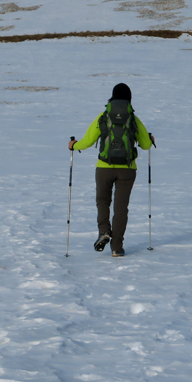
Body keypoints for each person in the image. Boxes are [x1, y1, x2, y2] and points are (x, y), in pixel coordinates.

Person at [68, 83, 154, 257]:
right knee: (121, 208)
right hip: (127, 170)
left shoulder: (104, 116)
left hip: (104, 168)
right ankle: (117, 247)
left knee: (102, 201)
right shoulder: (133, 118)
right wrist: (150, 139)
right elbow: (145, 145)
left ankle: (104, 231)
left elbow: (88, 141)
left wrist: (74, 145)